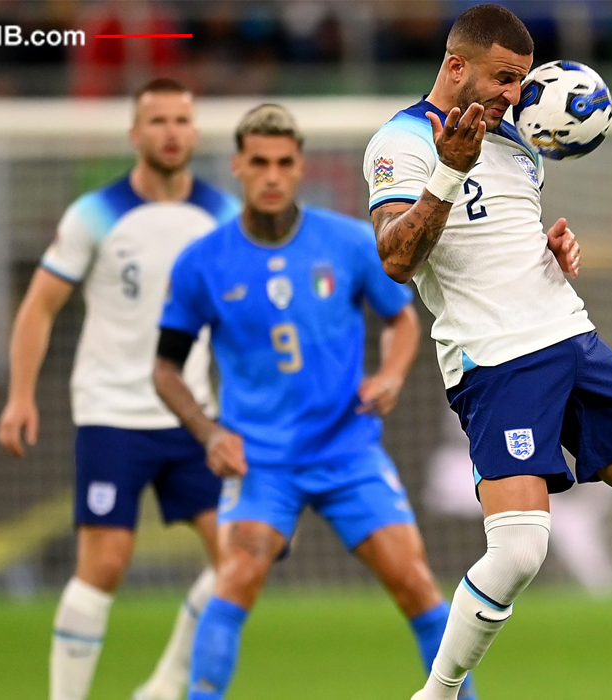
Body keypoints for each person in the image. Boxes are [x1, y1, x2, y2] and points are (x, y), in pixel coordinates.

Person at [363, 6, 612, 700]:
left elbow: (498, 235)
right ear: (456, 66)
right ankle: (436, 693)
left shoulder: (519, 142)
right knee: (520, 552)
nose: (512, 95)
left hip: (571, 340)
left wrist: (549, 247)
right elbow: (397, 259)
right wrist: (448, 173)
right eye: (502, 78)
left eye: (521, 81)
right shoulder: (400, 142)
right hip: (497, 363)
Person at [151, 104, 476, 700]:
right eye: (259, 163)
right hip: (260, 461)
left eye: (283, 162)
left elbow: (400, 321)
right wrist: (209, 433)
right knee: (237, 578)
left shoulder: (350, 242)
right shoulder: (203, 262)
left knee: (416, 585)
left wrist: (393, 374)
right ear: (238, 168)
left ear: (299, 167)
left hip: (348, 450)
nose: (272, 175)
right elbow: (166, 369)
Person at [0, 78, 239, 700]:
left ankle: (162, 686)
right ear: (135, 134)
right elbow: (38, 309)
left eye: (181, 120)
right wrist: (21, 396)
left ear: (195, 131)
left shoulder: (222, 216)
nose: (170, 132)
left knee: (239, 561)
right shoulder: (94, 213)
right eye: (157, 121)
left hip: (192, 417)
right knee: (103, 566)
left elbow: (245, 312)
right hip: (113, 413)